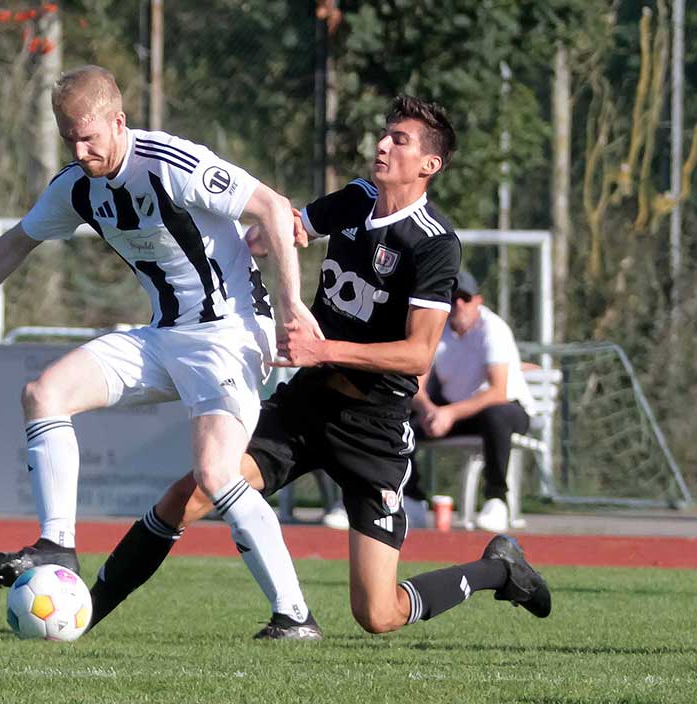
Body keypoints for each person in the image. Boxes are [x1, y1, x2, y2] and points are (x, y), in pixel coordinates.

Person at [85, 96, 551, 638]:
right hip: (306, 405)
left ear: (430, 164)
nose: (382, 144)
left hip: (375, 426)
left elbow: (418, 354)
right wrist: (259, 236)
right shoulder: (356, 198)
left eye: (399, 139)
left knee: (377, 614)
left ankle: (499, 569)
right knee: (188, 496)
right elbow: (291, 226)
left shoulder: (433, 242)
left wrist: (322, 349)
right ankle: (85, 613)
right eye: (385, 134)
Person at [0, 65, 322, 638]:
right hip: (161, 336)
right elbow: (14, 244)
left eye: (89, 138)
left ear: (118, 122)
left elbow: (273, 206)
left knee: (214, 473)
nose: (80, 152)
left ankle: (294, 616)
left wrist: (293, 304)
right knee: (44, 393)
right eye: (69, 140)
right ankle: (57, 546)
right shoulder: (76, 186)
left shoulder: (171, 163)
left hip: (228, 335)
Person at [409, 271, 534, 533]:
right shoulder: (436, 329)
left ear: (478, 301)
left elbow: (498, 391)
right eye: (452, 298)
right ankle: (411, 500)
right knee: (401, 421)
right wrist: (429, 410)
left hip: (507, 410)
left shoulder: (493, 328)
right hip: (455, 412)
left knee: (496, 415)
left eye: (464, 298)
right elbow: (417, 386)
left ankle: (496, 500)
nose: (458, 304)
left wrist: (449, 414)